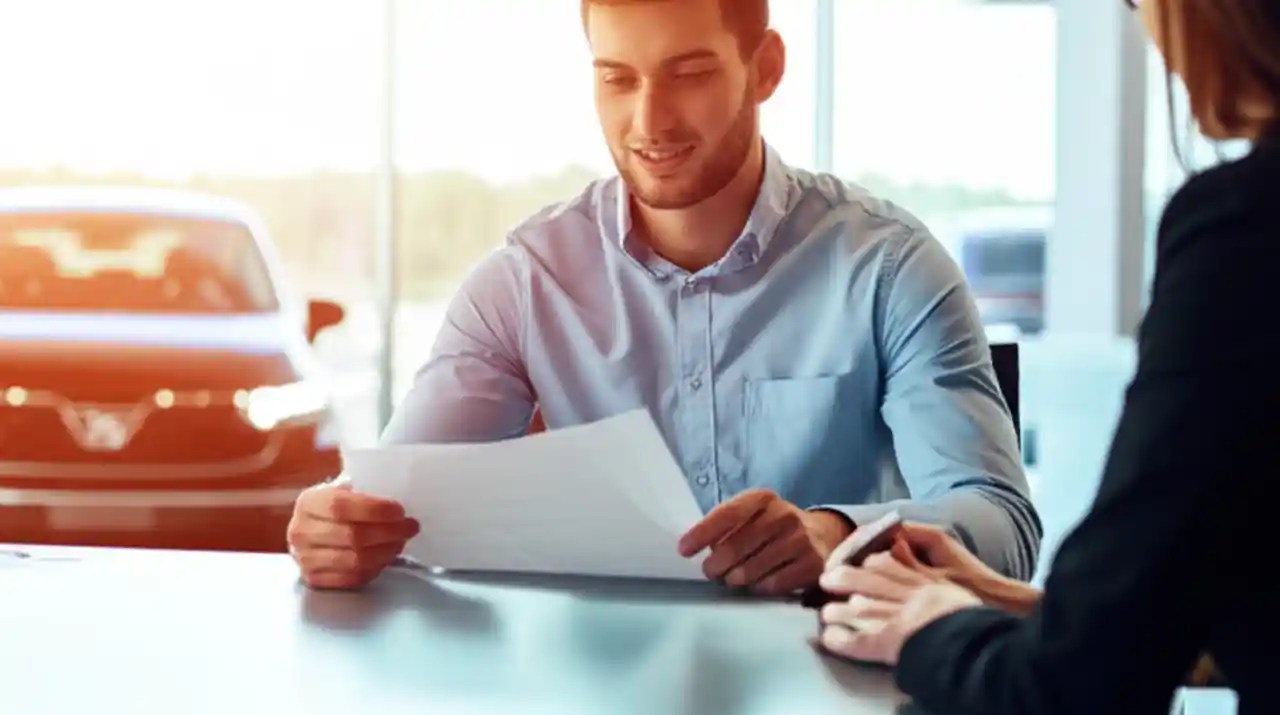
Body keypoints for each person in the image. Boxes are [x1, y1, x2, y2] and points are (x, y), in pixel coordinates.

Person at [286, 0, 1040, 596]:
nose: (649, 122)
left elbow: (1002, 528)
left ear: (765, 68)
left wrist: (832, 533)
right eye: (618, 78)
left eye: (690, 73)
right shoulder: (524, 282)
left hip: (840, 667)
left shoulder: (888, 267)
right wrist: (337, 523)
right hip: (608, 682)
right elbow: (392, 498)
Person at [815, 0, 1280, 715]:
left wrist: (927, 628)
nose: (1150, 31)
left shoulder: (1248, 233)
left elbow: (1078, 691)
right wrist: (1014, 608)